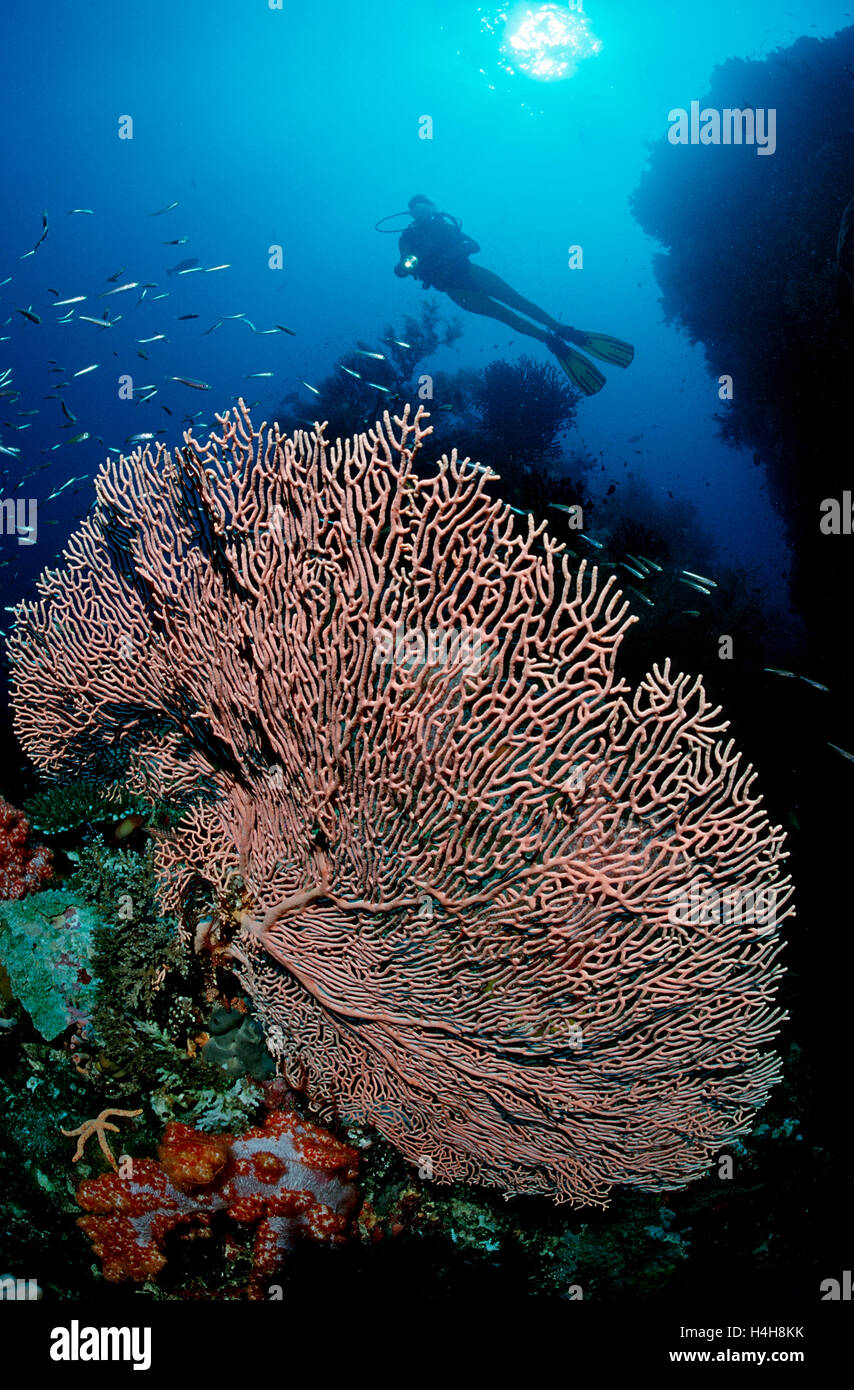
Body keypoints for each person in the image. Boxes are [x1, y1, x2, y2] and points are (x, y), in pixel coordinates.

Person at [392, 195, 633, 396]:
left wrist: (448, 254)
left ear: (431, 208)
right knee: (506, 316)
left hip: (471, 272)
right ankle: (549, 340)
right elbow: (402, 267)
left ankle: (562, 330)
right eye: (415, 209)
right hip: (455, 289)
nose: (420, 212)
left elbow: (474, 245)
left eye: (423, 207)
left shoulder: (443, 226)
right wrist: (405, 265)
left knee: (519, 303)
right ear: (411, 214)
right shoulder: (408, 237)